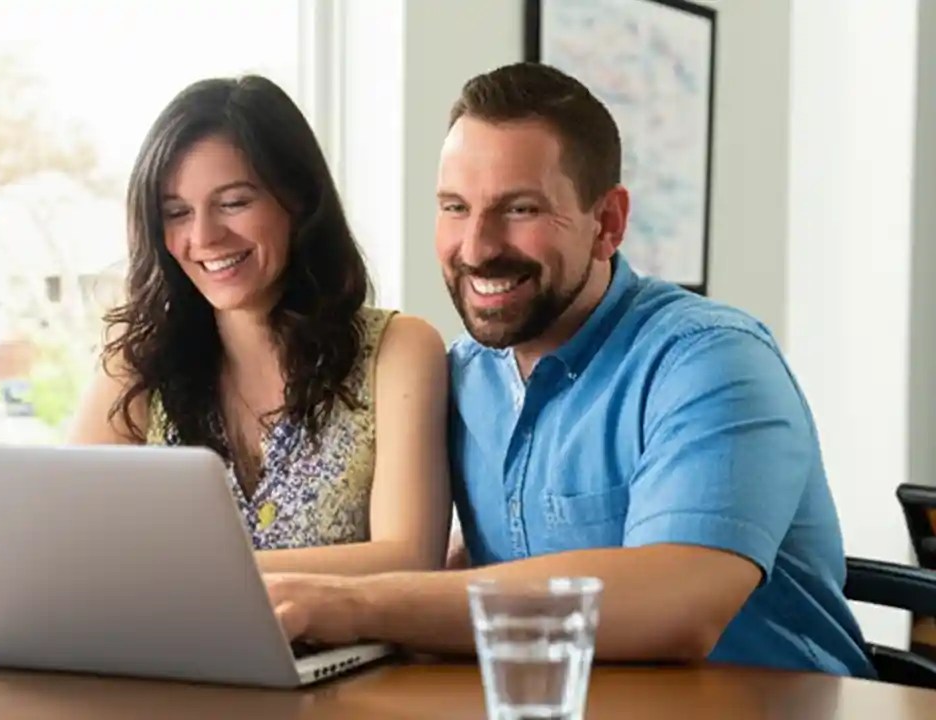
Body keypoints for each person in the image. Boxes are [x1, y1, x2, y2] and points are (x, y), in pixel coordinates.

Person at [265, 62, 875, 677]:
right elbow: (492, 571)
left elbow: (679, 604)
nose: (475, 247)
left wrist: (353, 604)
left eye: (521, 209)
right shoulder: (468, 376)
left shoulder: (711, 360)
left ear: (607, 223)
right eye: (455, 207)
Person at [70, 75, 451, 576]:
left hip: (349, 655)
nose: (203, 236)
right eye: (177, 213)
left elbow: (408, 560)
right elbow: (72, 551)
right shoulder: (137, 362)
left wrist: (189, 576)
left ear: (298, 200)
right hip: (174, 655)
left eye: (234, 203)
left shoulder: (399, 351)